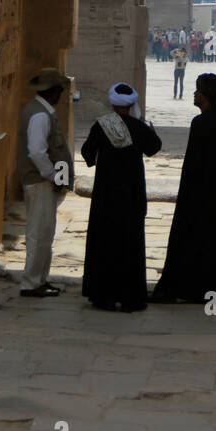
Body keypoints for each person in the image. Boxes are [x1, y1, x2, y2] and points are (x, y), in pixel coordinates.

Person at [151, 73, 216, 305]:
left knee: (189, 239)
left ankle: (184, 287)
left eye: (198, 91)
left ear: (206, 97)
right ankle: (210, 290)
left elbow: (194, 163)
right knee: (211, 242)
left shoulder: (202, 123)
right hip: (214, 193)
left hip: (197, 193)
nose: (195, 94)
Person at [80, 82, 162, 312]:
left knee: (105, 242)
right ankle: (130, 297)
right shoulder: (138, 127)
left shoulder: (101, 125)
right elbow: (154, 147)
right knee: (130, 242)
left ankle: (103, 294)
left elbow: (87, 153)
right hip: (131, 194)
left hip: (106, 194)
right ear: (131, 104)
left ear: (113, 103)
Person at [17, 68, 74, 298]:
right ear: (54, 92)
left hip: (44, 182)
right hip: (40, 182)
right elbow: (37, 153)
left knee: (45, 232)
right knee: (38, 233)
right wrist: (54, 176)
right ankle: (31, 282)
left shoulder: (43, 112)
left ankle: (40, 279)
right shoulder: (40, 115)